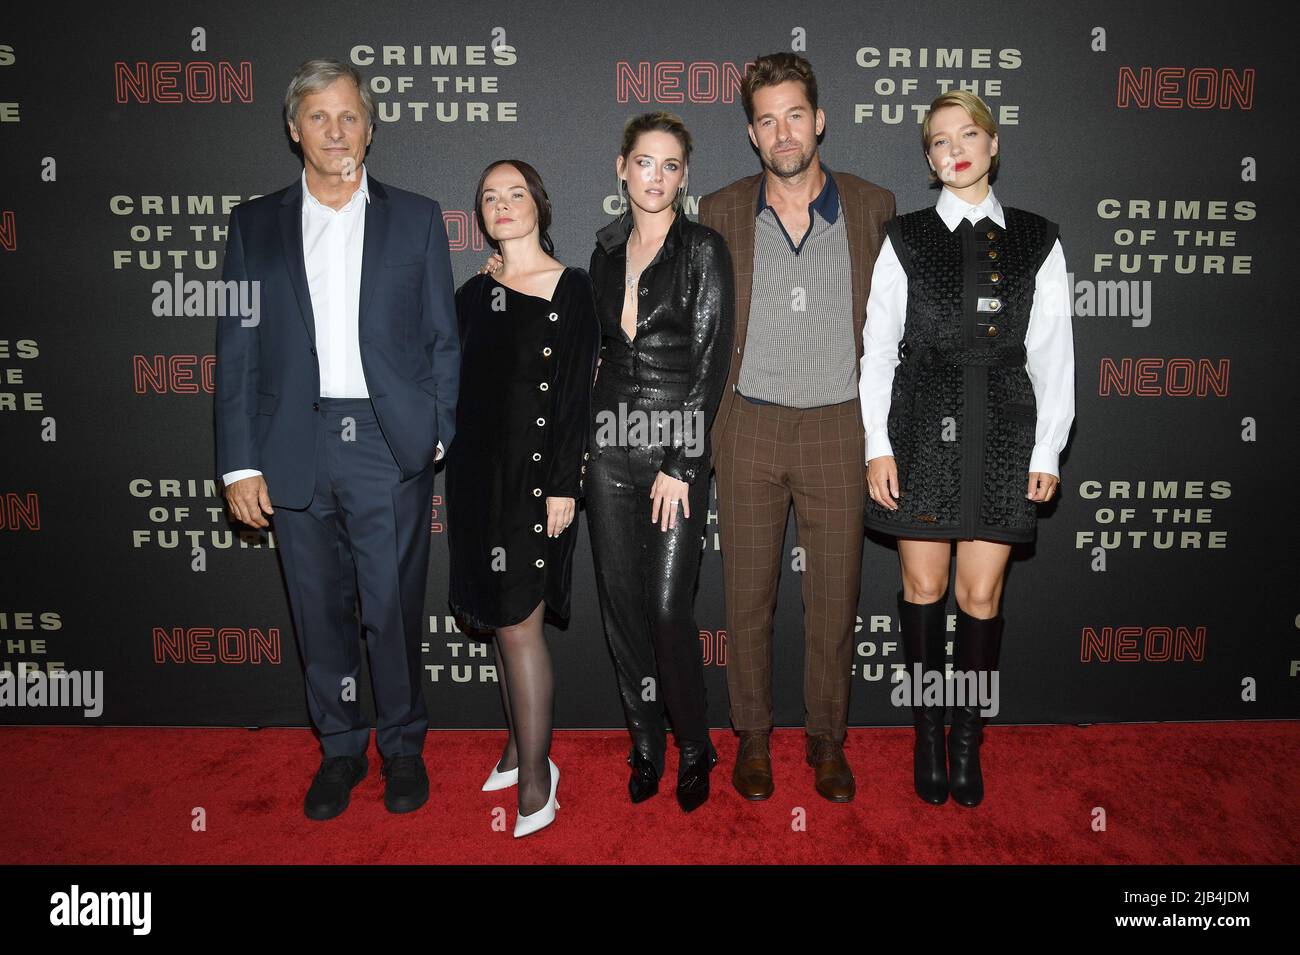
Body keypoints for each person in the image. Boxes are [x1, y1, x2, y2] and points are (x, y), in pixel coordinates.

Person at [214, 59, 459, 820]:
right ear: (294, 130)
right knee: (317, 609)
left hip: (387, 444)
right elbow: (236, 348)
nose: (335, 130)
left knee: (391, 605)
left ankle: (405, 747)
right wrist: (238, 461)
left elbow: (442, 341)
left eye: (348, 115)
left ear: (370, 125)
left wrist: (436, 431)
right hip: (295, 440)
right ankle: (341, 748)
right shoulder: (252, 225)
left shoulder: (416, 217)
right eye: (318, 117)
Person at [860, 90, 1075, 807]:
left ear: (992, 145)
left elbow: (1053, 355)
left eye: (968, 135)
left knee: (979, 594)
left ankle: (966, 739)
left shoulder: (1039, 238)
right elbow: (878, 349)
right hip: (921, 424)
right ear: (928, 158)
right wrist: (877, 442)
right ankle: (926, 733)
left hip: (1007, 429)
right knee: (922, 589)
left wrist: (1047, 449)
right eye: (939, 140)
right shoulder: (905, 236)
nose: (955, 148)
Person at [697, 53, 894, 803]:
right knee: (745, 596)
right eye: (767, 119)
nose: (783, 132)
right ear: (752, 132)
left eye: (795, 115)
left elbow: (899, 324)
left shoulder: (876, 206)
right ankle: (751, 735)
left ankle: (826, 738)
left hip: (841, 427)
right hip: (745, 425)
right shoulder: (718, 209)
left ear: (820, 121)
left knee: (835, 600)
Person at [446, 159, 599, 837]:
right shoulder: (473, 294)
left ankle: (539, 780)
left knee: (519, 625)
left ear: (538, 204)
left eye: (515, 194)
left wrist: (564, 483)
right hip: (476, 480)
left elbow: (575, 397)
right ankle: (517, 747)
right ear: (480, 215)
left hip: (534, 483)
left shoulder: (573, 288)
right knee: (496, 626)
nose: (503, 204)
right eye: (490, 197)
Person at [586, 111, 734, 811]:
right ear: (622, 167)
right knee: (621, 607)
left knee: (669, 607)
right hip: (608, 449)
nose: (656, 176)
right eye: (645, 161)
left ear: (684, 176)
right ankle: (646, 742)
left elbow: (709, 366)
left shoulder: (704, 249)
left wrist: (681, 462)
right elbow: (590, 348)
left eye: (671, 165)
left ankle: (696, 741)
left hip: (676, 448)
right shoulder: (603, 252)